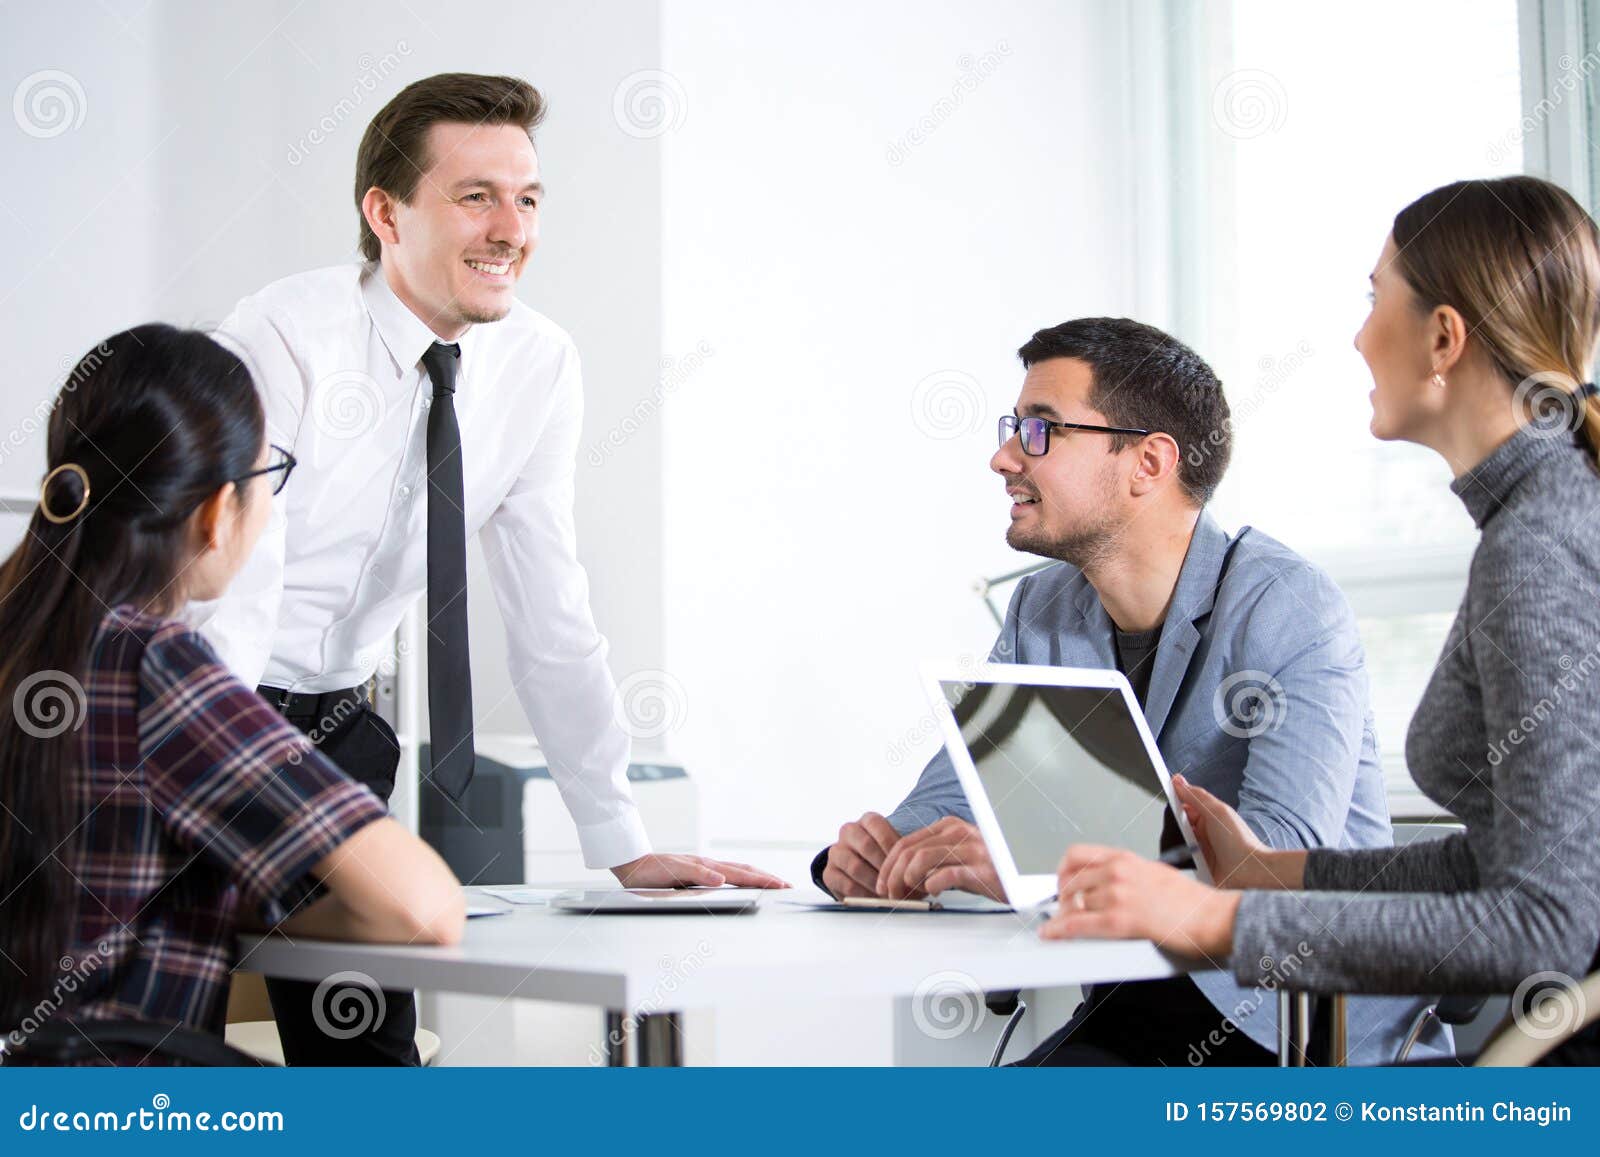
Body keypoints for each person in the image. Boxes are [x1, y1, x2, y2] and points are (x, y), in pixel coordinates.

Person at [196, 73, 786, 1065]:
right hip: (204, 712)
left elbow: (550, 601)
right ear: (385, 212)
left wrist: (617, 832)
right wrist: (214, 763)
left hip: (339, 726)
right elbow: (241, 578)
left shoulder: (539, 363)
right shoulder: (286, 334)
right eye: (476, 196)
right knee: (163, 1040)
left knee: (364, 1049)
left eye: (528, 198)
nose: (511, 227)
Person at [1044, 176, 1600, 1067]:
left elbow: (1547, 924)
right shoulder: (1544, 511)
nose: (1357, 334)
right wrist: (1269, 874)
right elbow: (1502, 864)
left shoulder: (1538, 547)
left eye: (1376, 298)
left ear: (1444, 338)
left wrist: (1217, 916)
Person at [812, 317, 1447, 1065]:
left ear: (1148, 461)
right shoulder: (1041, 608)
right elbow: (958, 793)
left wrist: (1038, 865)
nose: (1003, 456)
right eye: (1013, 427)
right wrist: (875, 853)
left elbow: (1279, 860)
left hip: (1294, 1033)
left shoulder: (1288, 604)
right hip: (1141, 1008)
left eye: (1041, 431)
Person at [0, 325, 464, 1067]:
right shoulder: (159, 667)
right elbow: (424, 908)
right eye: (268, 478)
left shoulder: (22, 633)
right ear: (218, 512)